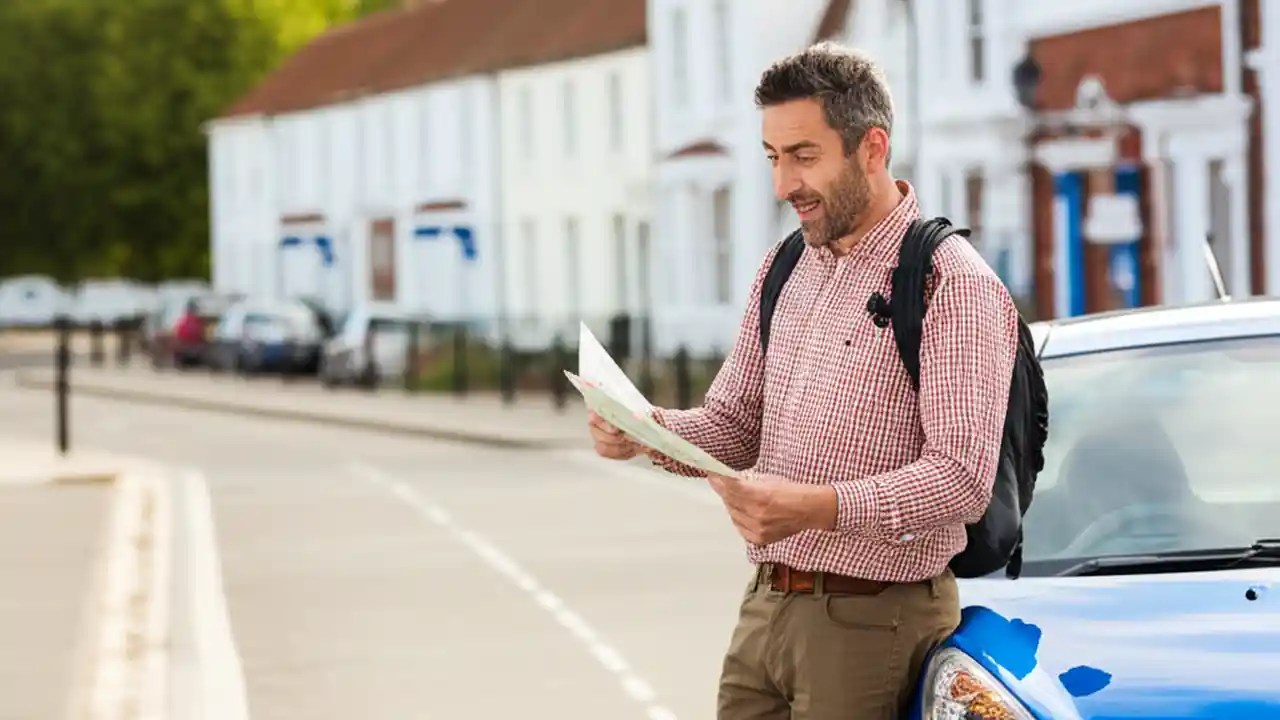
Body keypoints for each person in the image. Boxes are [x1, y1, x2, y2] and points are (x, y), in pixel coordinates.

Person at [587, 42, 1019, 719]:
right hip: (766, 605)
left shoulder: (952, 283)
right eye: (773, 157)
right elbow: (732, 425)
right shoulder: (785, 266)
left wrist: (815, 507)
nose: (783, 184)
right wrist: (644, 429)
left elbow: (962, 479)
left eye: (804, 157)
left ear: (872, 148)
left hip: (876, 619)